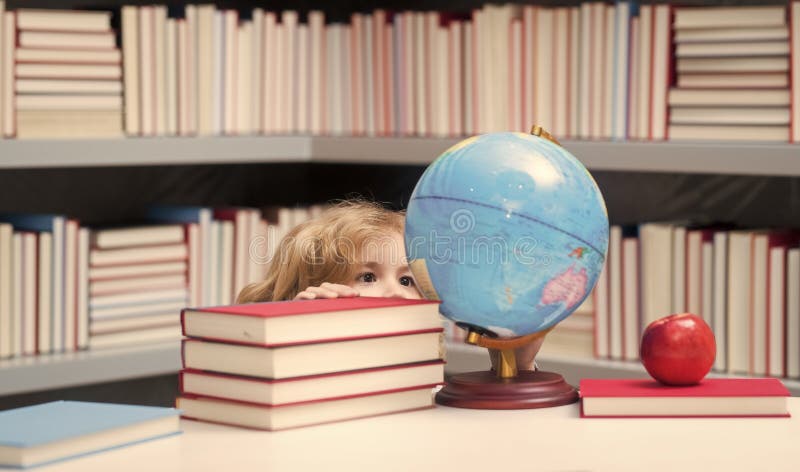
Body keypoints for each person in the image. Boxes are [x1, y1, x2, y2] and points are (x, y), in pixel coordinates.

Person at [236, 199, 542, 371]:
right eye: (368, 277)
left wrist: (519, 367)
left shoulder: (430, 380)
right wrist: (295, 333)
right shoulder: (303, 360)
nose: (397, 292)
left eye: (407, 280)